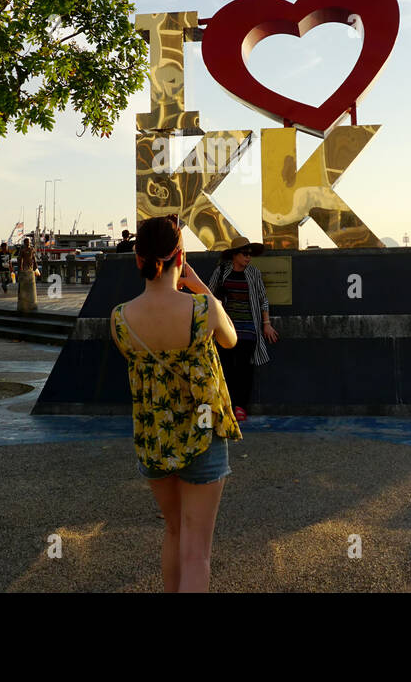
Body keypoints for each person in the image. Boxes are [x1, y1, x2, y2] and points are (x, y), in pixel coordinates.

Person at [110, 217, 242, 592]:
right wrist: (201, 287)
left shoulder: (120, 319)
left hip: (154, 438)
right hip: (202, 434)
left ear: (137, 260)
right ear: (180, 257)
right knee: (197, 551)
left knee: (172, 530)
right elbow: (230, 339)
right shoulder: (203, 310)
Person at [205, 237, 279, 422]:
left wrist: (267, 323)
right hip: (225, 329)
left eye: (250, 254)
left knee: (244, 370)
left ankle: (240, 407)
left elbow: (263, 299)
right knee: (226, 368)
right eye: (245, 254)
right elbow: (208, 295)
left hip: (248, 329)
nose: (248, 258)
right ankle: (227, 405)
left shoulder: (253, 273)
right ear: (234, 255)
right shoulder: (222, 271)